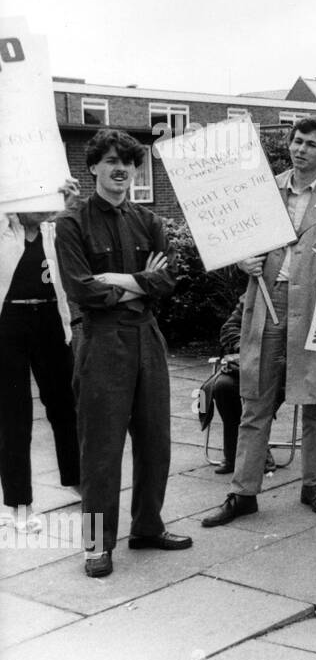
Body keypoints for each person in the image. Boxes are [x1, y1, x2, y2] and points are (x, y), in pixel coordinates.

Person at [201, 116, 316, 527]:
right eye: (296, 141)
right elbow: (243, 241)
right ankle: (243, 493)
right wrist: (244, 259)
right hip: (268, 304)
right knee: (255, 400)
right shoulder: (266, 189)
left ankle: (313, 484)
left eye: (310, 143)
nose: (300, 148)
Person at [55, 130, 190, 577]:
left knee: (155, 442)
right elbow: (81, 288)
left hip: (146, 339)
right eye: (111, 161)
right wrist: (139, 282)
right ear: (93, 166)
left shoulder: (149, 222)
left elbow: (167, 282)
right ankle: (96, 544)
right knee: (100, 449)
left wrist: (116, 278)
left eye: (129, 163)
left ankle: (148, 527)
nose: (121, 169)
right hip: (102, 341)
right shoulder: (72, 222)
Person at [1, 178, 81, 533]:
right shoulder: (4, 229)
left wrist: (71, 202)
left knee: (65, 407)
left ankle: (78, 480)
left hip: (49, 320)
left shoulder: (54, 230)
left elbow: (81, 237)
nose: (49, 204)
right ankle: (20, 504)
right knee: (14, 415)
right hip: (9, 324)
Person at [205, 297, 277, 476]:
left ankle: (255, 450)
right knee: (223, 387)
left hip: (279, 369)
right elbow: (228, 329)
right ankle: (233, 455)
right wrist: (246, 347)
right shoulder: (255, 293)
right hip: (248, 365)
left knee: (262, 393)